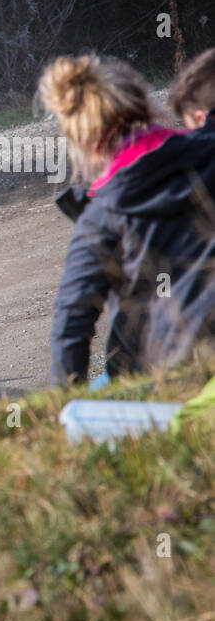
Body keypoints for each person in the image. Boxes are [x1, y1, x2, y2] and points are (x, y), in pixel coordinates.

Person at [43, 52, 215, 386]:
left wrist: (59, 415)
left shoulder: (102, 214)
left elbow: (71, 324)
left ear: (83, 142)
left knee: (103, 387)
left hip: (170, 381)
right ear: (148, 105)